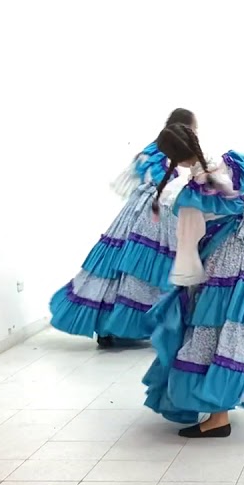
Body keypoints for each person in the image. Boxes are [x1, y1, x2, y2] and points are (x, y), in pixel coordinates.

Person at [141, 122, 244, 438]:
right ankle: (220, 407)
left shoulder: (190, 192)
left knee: (209, 336)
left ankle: (218, 416)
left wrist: (185, 288)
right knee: (235, 336)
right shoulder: (236, 161)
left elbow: (188, 245)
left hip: (226, 263)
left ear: (173, 159)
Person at [50, 108, 194, 348]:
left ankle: (108, 327)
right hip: (155, 216)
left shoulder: (151, 150)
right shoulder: (163, 153)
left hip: (135, 214)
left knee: (117, 270)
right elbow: (164, 184)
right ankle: (152, 327)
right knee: (146, 271)